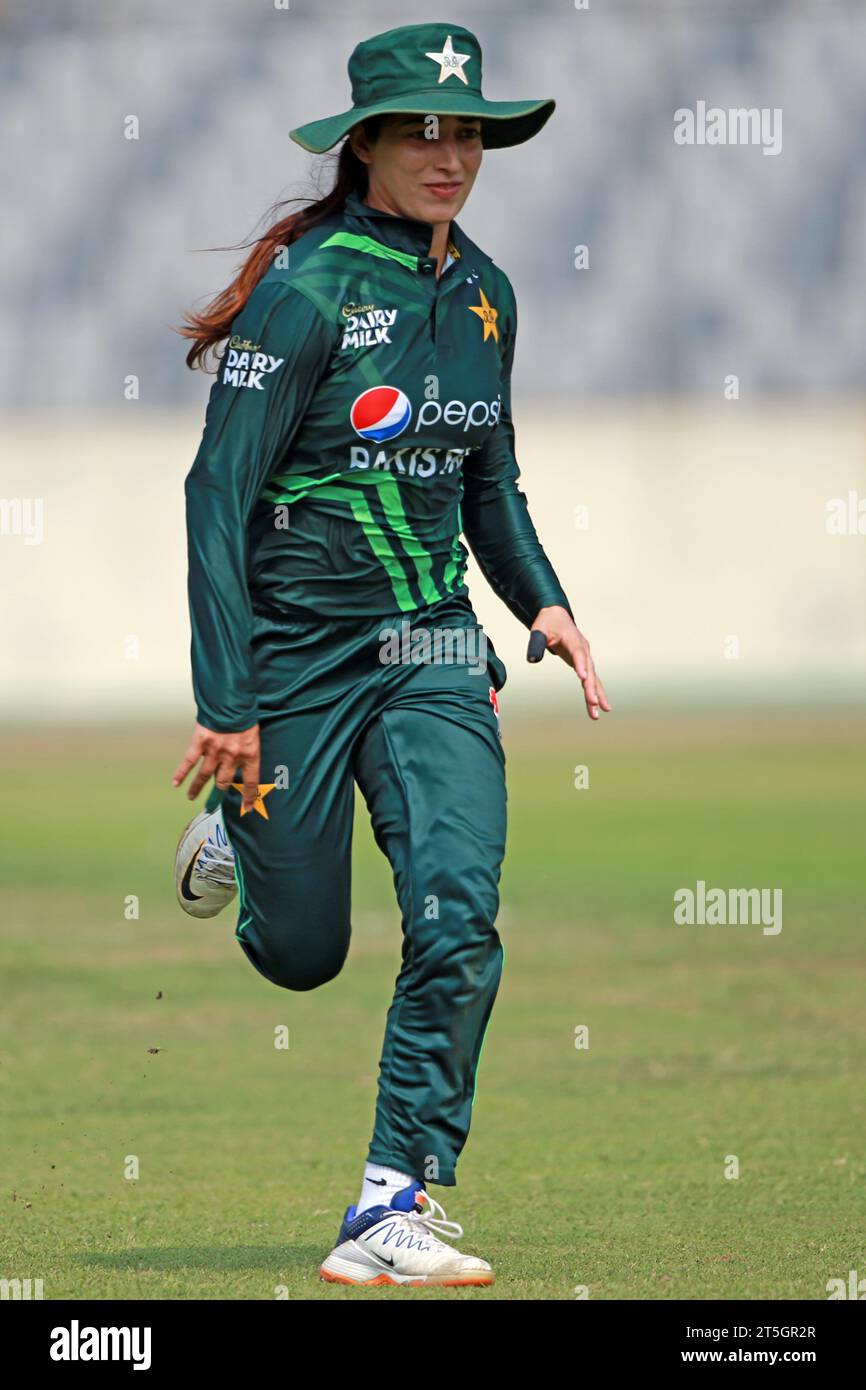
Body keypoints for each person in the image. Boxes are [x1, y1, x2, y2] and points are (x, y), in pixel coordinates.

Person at [171, 21, 610, 1288]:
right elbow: (215, 495)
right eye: (422, 127)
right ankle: (241, 839)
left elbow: (490, 476)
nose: (448, 151)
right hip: (293, 667)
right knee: (303, 954)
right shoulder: (305, 289)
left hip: (431, 653)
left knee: (458, 913)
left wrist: (543, 601)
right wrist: (227, 703)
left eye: (466, 128)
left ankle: (390, 1204)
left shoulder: (488, 293)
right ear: (363, 141)